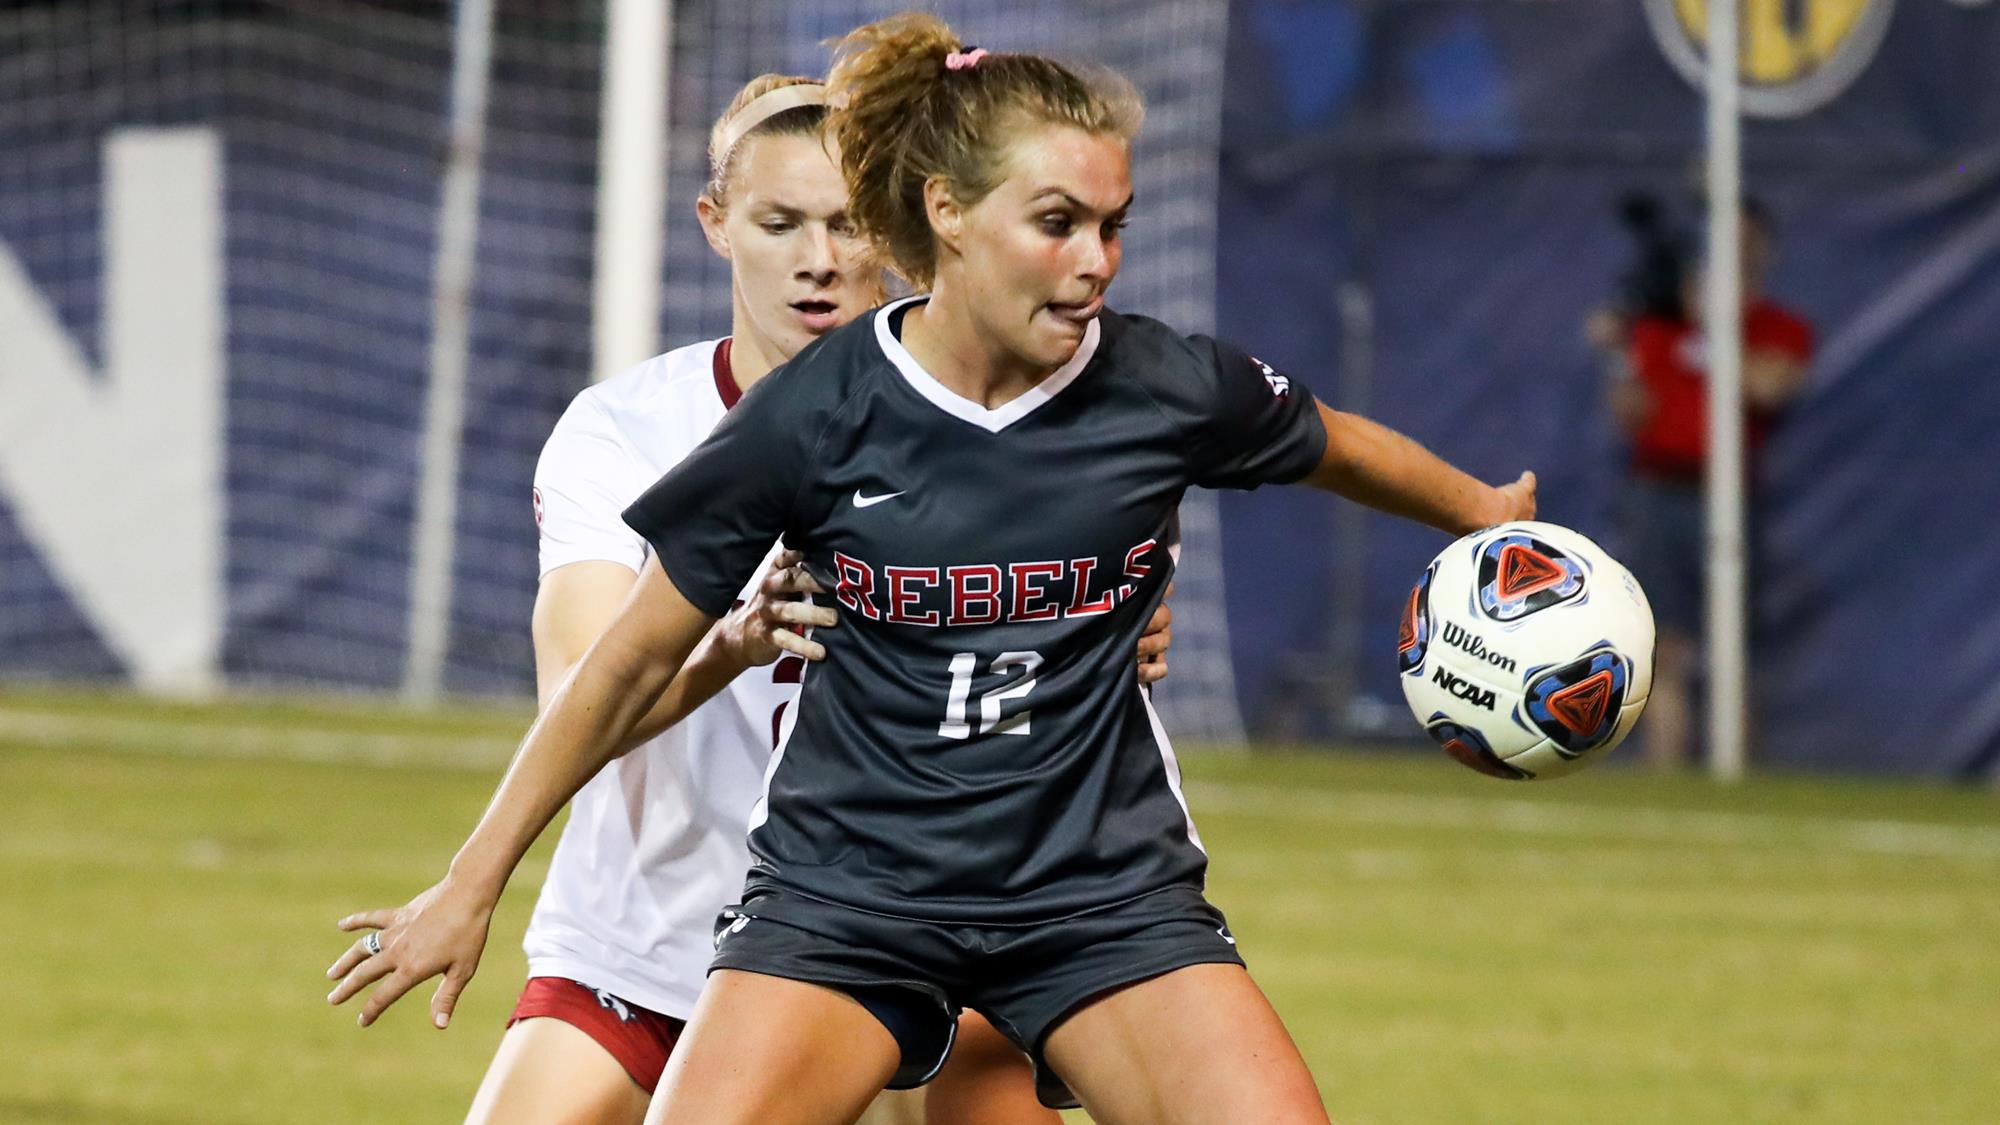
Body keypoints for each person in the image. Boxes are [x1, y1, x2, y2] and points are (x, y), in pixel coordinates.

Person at [325, 15, 1535, 1124]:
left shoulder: (1161, 383)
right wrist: (471, 882)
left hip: (1094, 894)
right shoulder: (812, 415)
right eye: (1057, 222)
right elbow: (619, 666)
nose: (1096, 260)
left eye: (1112, 225)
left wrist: (1480, 514)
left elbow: (1331, 444)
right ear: (947, 210)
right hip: (848, 901)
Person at [328, 74, 1145, 1125]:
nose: (819, 259)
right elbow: (581, 692)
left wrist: (1113, 617)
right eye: (780, 222)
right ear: (716, 224)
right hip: (649, 933)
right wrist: (729, 640)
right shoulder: (624, 431)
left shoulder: (994, 415)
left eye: (848, 223)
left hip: (901, 936)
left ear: (901, 226)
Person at [1593, 198, 1813, 768]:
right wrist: (1621, 349)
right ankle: (1666, 778)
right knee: (1662, 646)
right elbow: (1629, 414)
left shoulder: (1778, 327)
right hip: (1660, 490)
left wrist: (1719, 327)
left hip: (1731, 497)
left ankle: (1736, 775)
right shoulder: (1662, 326)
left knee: (1733, 651)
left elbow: (1770, 388)